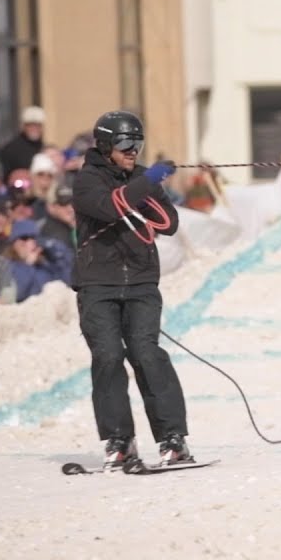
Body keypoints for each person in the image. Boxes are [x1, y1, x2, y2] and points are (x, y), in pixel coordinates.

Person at [71, 110, 190, 469]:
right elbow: (110, 207)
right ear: (106, 145)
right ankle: (119, 440)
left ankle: (173, 438)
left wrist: (149, 182)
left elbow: (168, 223)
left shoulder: (141, 178)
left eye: (137, 142)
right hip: (97, 286)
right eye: (125, 142)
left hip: (140, 283)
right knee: (107, 357)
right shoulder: (86, 181)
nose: (133, 149)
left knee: (147, 353)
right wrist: (148, 180)